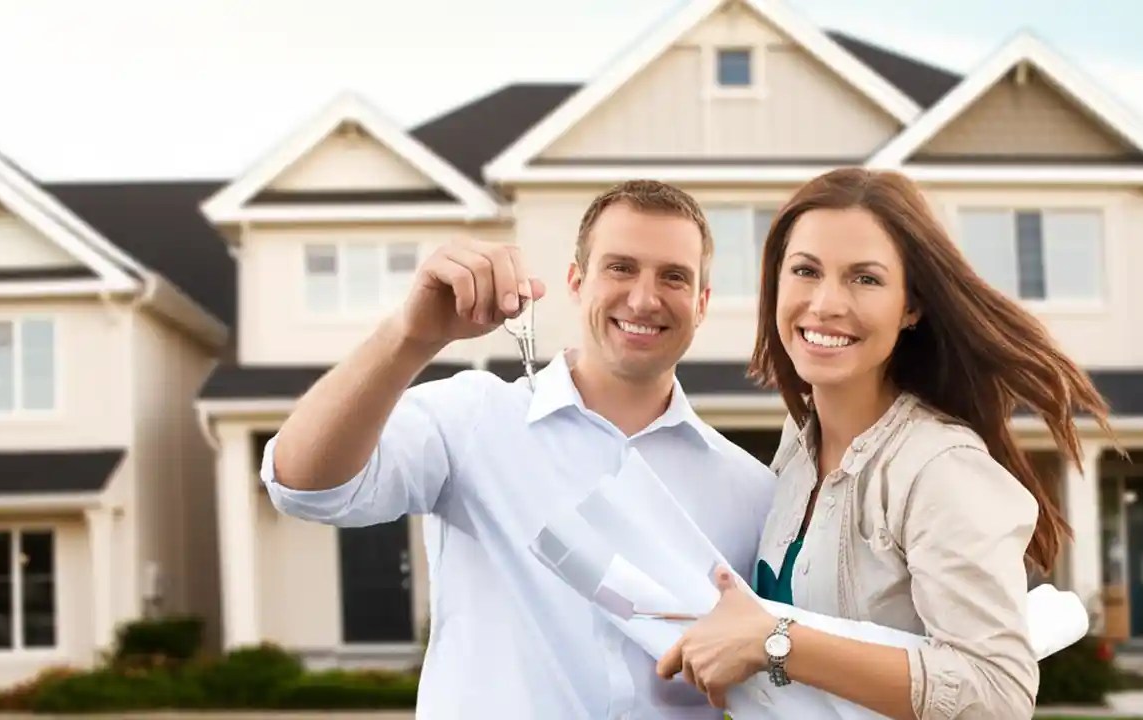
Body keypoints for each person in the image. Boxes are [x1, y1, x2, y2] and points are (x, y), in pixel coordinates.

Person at [260, 179, 775, 718]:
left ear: (703, 303)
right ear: (577, 281)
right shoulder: (471, 418)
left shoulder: (749, 491)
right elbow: (303, 486)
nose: (645, 298)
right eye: (620, 267)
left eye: (674, 276)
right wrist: (411, 335)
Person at [656, 168, 1117, 720]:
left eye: (865, 279)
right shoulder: (796, 453)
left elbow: (996, 693)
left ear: (911, 307)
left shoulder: (940, 468)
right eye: (805, 271)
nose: (825, 303)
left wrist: (776, 643)